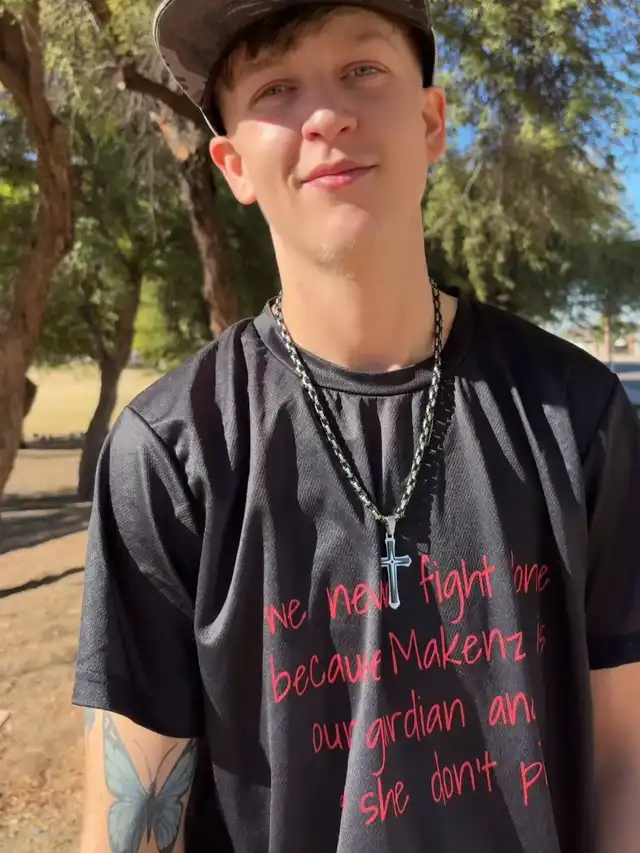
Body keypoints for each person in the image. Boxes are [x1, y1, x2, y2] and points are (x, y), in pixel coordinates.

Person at [72, 1, 640, 851]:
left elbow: (625, 754)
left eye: (362, 70)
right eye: (275, 87)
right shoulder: (169, 455)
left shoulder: (578, 415)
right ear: (233, 164)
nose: (327, 115)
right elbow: (135, 814)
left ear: (430, 120)